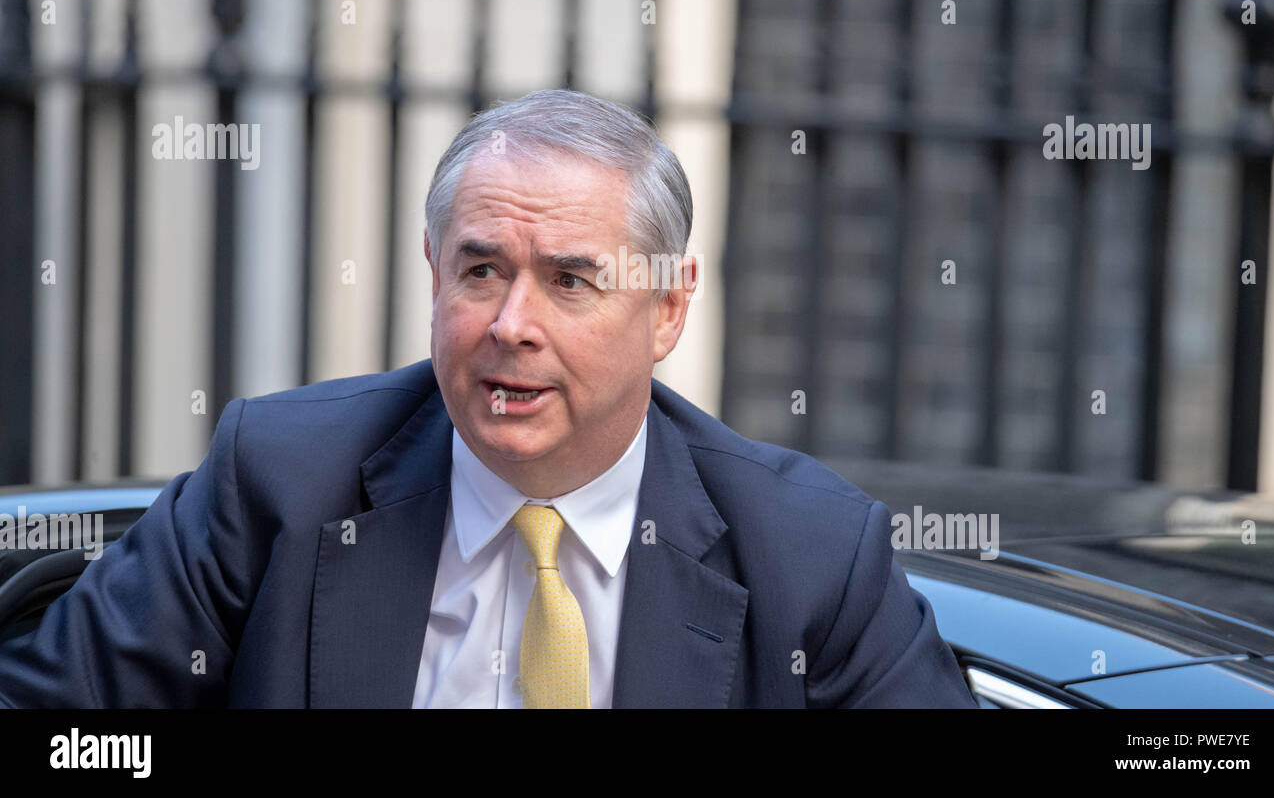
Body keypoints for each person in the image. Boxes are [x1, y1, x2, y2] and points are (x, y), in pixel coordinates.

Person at [0, 89, 977, 708]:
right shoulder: (279, 482)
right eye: (480, 269)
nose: (511, 322)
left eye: (569, 278)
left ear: (668, 307)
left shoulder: (808, 556)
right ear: (433, 274)